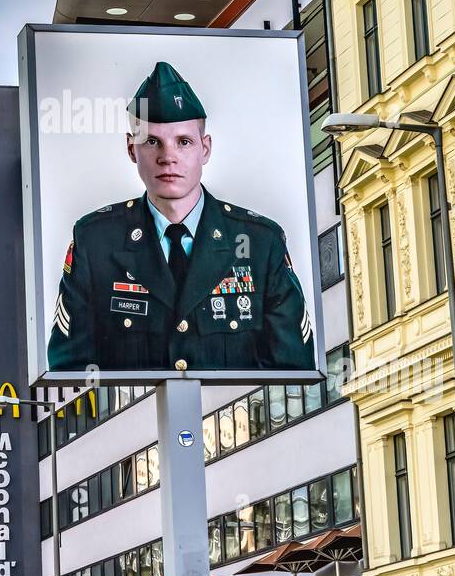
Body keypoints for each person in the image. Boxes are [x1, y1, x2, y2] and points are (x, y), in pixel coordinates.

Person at [47, 61, 314, 373]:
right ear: (131, 149)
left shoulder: (259, 243)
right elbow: (71, 372)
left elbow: (293, 369)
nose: (167, 157)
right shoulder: (95, 242)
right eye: (152, 142)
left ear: (205, 149)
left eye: (183, 142)